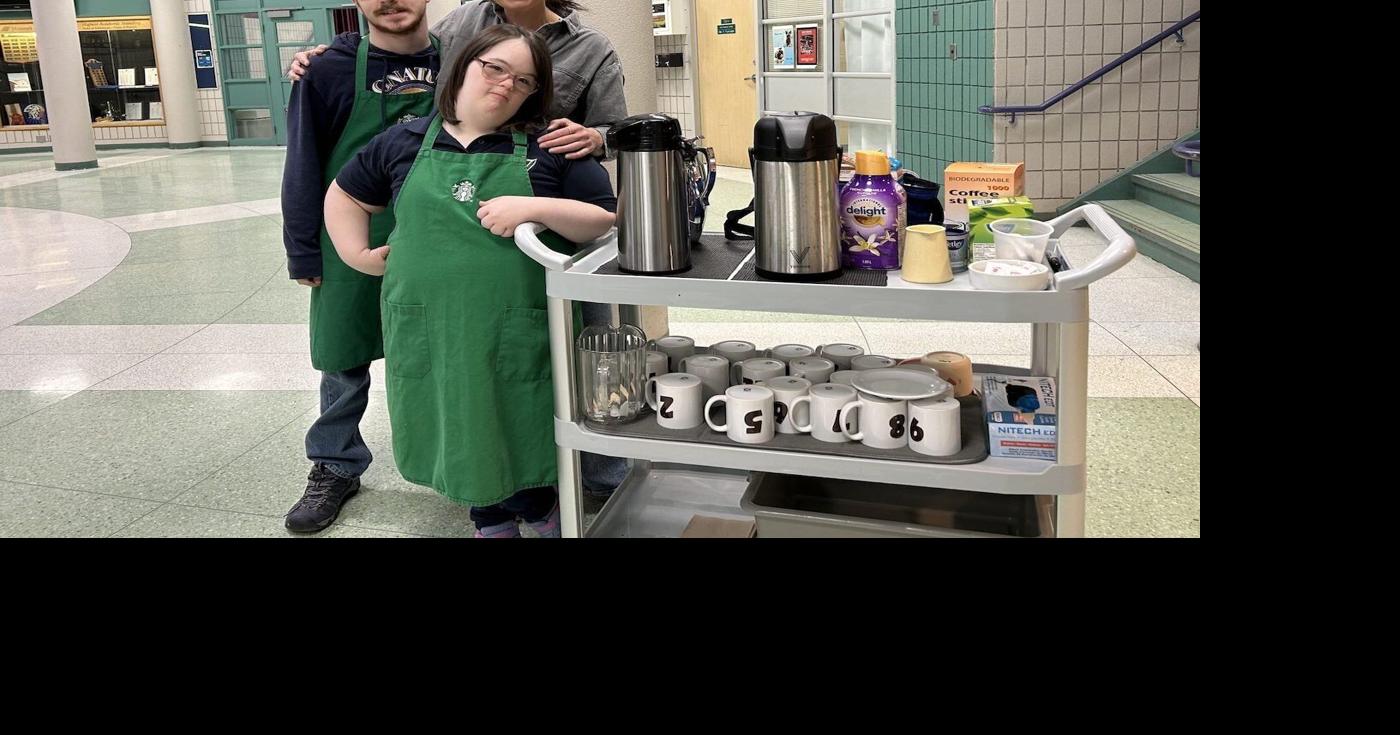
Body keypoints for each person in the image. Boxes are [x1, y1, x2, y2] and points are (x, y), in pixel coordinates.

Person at [292, 0, 632, 497]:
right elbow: (340, 186)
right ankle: (339, 466)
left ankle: (589, 484)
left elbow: (607, 188)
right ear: (463, 66)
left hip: (529, 286)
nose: (504, 85)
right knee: (363, 359)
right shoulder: (454, 36)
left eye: (523, 80)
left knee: (569, 372)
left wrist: (576, 159)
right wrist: (330, 53)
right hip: (420, 275)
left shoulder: (586, 57)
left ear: (535, 91)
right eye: (493, 69)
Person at [280, 0, 440, 534]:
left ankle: (459, 458)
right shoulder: (325, 70)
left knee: (445, 352)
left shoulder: (463, 62)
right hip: (347, 232)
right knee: (343, 356)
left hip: (439, 233)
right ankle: (335, 463)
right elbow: (302, 159)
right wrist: (303, 247)